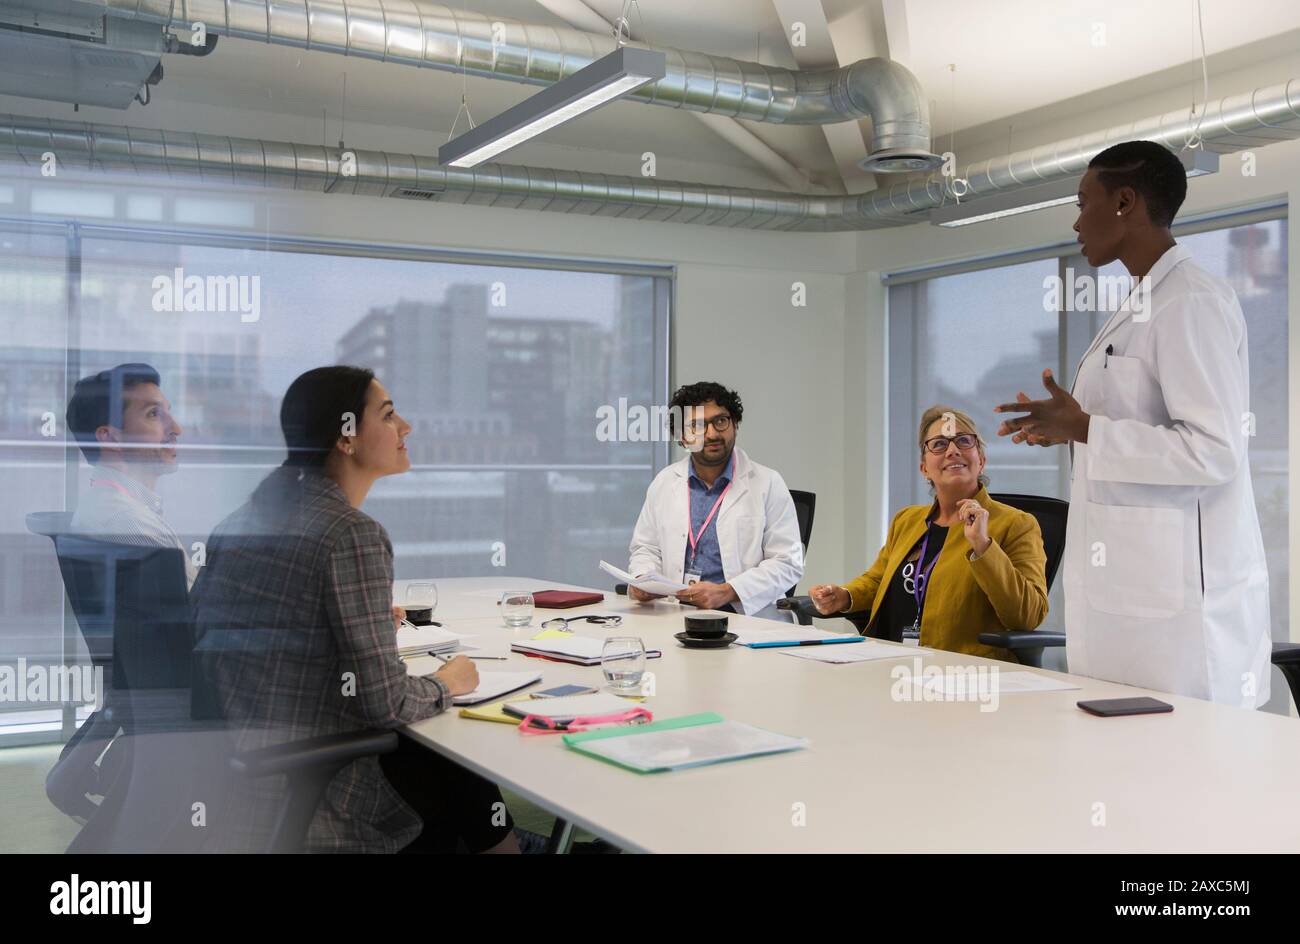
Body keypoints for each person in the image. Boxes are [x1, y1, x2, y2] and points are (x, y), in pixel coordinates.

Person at [191, 365, 517, 852]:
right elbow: (382, 702)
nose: (405, 427)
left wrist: (335, 627)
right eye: (387, 415)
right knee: (454, 761)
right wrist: (447, 681)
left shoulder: (244, 520)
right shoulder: (350, 534)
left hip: (235, 773)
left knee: (449, 773)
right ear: (345, 437)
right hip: (312, 782)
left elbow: (248, 631)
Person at [994, 140, 1269, 707]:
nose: (1075, 222)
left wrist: (1090, 429)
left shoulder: (1189, 302)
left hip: (1182, 624)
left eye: (1081, 202)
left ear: (1124, 201)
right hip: (1132, 604)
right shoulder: (1145, 301)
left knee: (1181, 780)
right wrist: (1072, 427)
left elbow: (1216, 450)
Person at [808, 407, 1047, 658]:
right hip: (886, 662)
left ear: (981, 461)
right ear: (924, 468)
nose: (953, 450)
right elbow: (878, 580)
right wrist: (844, 596)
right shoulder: (907, 520)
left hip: (958, 673)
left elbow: (1027, 616)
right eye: (940, 444)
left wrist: (983, 545)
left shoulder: (1017, 524)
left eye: (964, 441)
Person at [627, 381, 803, 620]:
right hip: (677, 614)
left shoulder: (767, 483)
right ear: (682, 437)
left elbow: (787, 563)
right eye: (697, 425)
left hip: (747, 619)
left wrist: (728, 591)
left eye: (720, 421)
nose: (711, 434)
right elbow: (645, 547)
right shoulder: (665, 482)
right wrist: (643, 578)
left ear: (735, 425)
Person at [66, 362, 195, 588]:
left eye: (168, 412)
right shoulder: (129, 522)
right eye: (154, 414)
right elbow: (202, 613)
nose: (176, 428)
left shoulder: (110, 509)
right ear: (110, 437)